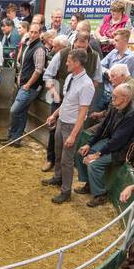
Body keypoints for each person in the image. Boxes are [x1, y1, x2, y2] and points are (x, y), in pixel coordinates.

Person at [75, 82, 134, 207]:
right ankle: (89, 184)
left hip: (123, 150)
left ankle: (101, 195)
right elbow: (102, 127)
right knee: (81, 153)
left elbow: (119, 140)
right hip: (111, 143)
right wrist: (89, 145)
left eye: (115, 97)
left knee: (94, 164)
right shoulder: (114, 106)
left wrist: (98, 154)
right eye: (112, 96)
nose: (112, 99)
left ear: (125, 99)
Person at [43, 48, 94, 205]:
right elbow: (66, 102)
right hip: (61, 121)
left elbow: (82, 113)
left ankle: (66, 191)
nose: (66, 63)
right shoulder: (71, 77)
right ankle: (58, 177)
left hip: (72, 125)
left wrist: (73, 135)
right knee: (59, 153)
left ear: (77, 63)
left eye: (69, 61)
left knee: (67, 159)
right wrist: (54, 115)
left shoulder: (87, 85)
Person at [0, 23, 46, 145]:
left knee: (14, 110)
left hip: (30, 87)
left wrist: (28, 84)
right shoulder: (28, 45)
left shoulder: (39, 48)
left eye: (36, 32)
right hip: (24, 83)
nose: (33, 34)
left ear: (40, 33)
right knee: (22, 112)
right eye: (31, 31)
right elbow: (22, 62)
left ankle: (14, 136)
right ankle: (15, 139)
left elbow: (38, 70)